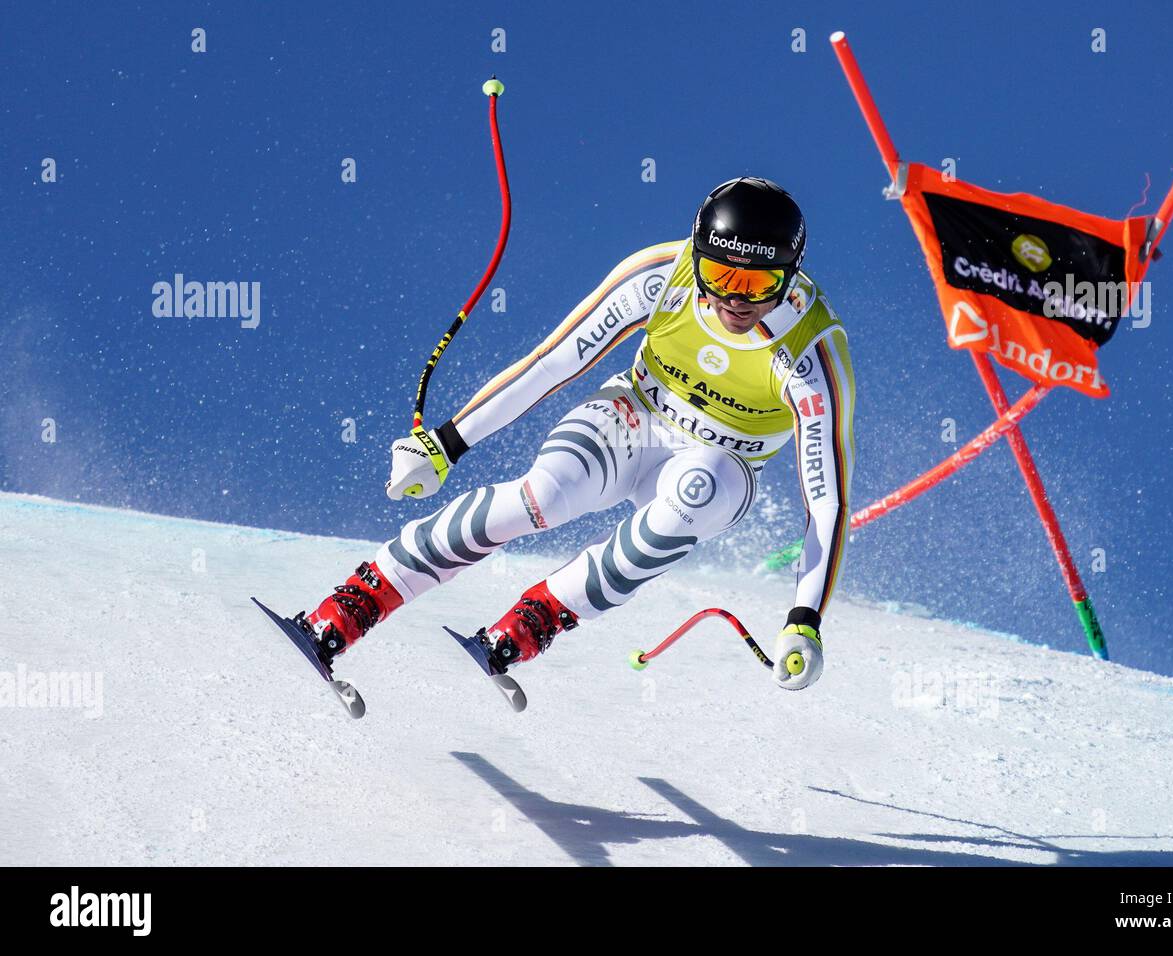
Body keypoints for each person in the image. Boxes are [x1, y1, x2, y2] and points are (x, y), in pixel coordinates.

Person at [298, 177, 855, 691]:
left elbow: (826, 500)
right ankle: (356, 603)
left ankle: (534, 620)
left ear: (793, 273)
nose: (736, 300)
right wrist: (446, 442)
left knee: (696, 493)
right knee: (544, 496)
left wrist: (804, 619)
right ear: (697, 257)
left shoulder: (811, 352)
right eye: (721, 275)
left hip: (722, 461)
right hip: (637, 413)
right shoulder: (662, 278)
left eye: (759, 284)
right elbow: (551, 363)